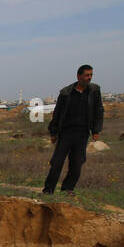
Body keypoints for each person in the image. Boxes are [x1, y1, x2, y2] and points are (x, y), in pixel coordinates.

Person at [42, 65, 103, 195]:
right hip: (66, 133)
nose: (89, 78)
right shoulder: (66, 93)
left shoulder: (94, 91)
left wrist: (96, 130)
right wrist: (53, 132)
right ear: (78, 76)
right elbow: (57, 113)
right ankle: (48, 190)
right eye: (86, 75)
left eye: (91, 75)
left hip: (82, 133)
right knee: (57, 162)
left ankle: (67, 189)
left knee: (77, 163)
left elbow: (98, 111)